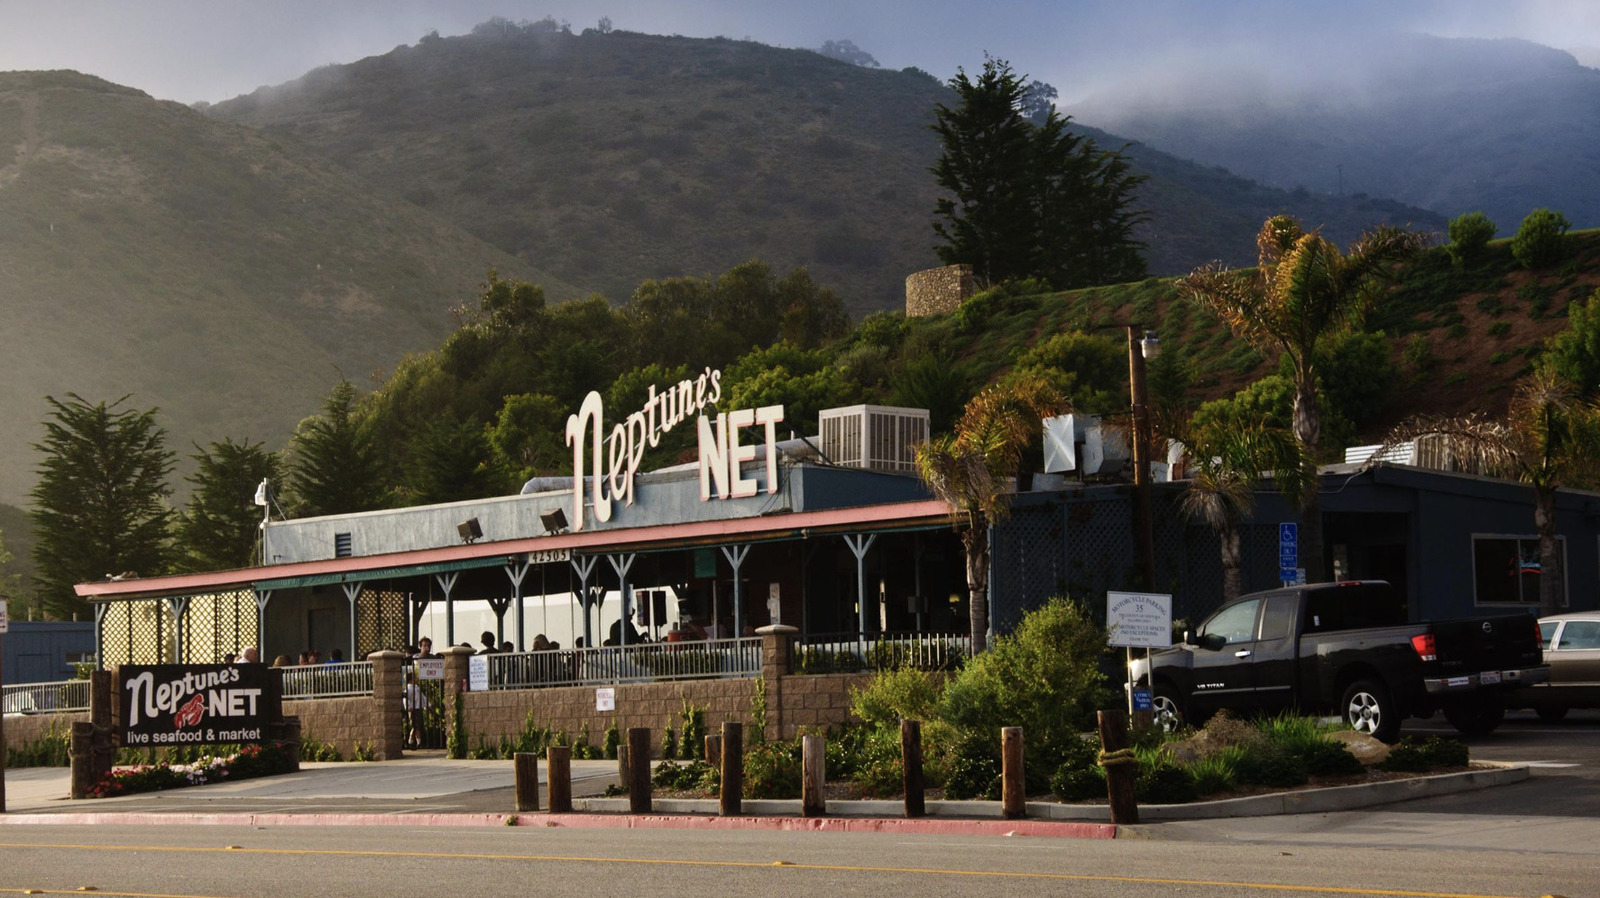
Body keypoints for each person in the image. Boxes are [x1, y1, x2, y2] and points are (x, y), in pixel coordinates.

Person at [404, 671, 428, 750]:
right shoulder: (408, 689)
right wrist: (408, 707)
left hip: (418, 708)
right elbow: (406, 700)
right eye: (415, 677)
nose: (417, 678)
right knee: (415, 726)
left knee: (417, 726)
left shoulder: (416, 688)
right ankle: (416, 742)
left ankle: (412, 742)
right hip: (413, 709)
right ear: (411, 679)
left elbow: (422, 697)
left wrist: (428, 705)